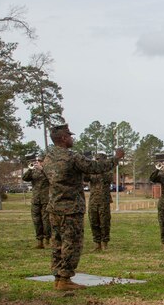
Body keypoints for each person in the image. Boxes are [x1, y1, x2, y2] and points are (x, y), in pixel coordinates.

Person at [42, 124, 122, 291]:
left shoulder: (47, 158)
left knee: (57, 243)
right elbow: (96, 168)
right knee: (72, 243)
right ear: (63, 138)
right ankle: (65, 279)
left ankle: (57, 277)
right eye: (69, 136)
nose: (72, 138)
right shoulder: (72, 157)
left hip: (54, 207)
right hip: (71, 208)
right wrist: (116, 158)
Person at [22, 153, 51, 248]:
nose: (38, 163)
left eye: (40, 161)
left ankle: (48, 240)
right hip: (35, 200)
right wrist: (30, 170)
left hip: (45, 199)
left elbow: (52, 178)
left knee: (46, 221)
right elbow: (24, 178)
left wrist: (42, 169)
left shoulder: (47, 170)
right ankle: (39, 241)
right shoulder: (33, 171)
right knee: (36, 221)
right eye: (37, 161)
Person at [86, 153, 113, 252]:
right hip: (93, 200)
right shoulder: (92, 171)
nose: (97, 161)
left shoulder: (107, 171)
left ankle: (104, 243)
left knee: (104, 222)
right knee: (94, 222)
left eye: (98, 159)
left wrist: (100, 168)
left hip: (104, 200)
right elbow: (85, 177)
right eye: (96, 159)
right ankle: (97, 243)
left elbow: (108, 179)